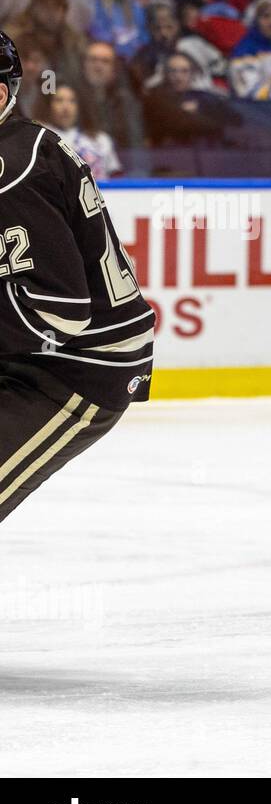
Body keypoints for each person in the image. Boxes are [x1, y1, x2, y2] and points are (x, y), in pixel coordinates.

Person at [0, 32, 155, 525]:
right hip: (37, 350)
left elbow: (59, 310)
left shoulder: (13, 173)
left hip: (77, 366)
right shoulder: (20, 146)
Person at [34, 83, 121, 181]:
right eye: (59, 100)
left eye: (72, 101)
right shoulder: (39, 137)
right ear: (48, 105)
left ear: (80, 106)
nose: (66, 107)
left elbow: (116, 176)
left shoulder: (101, 139)